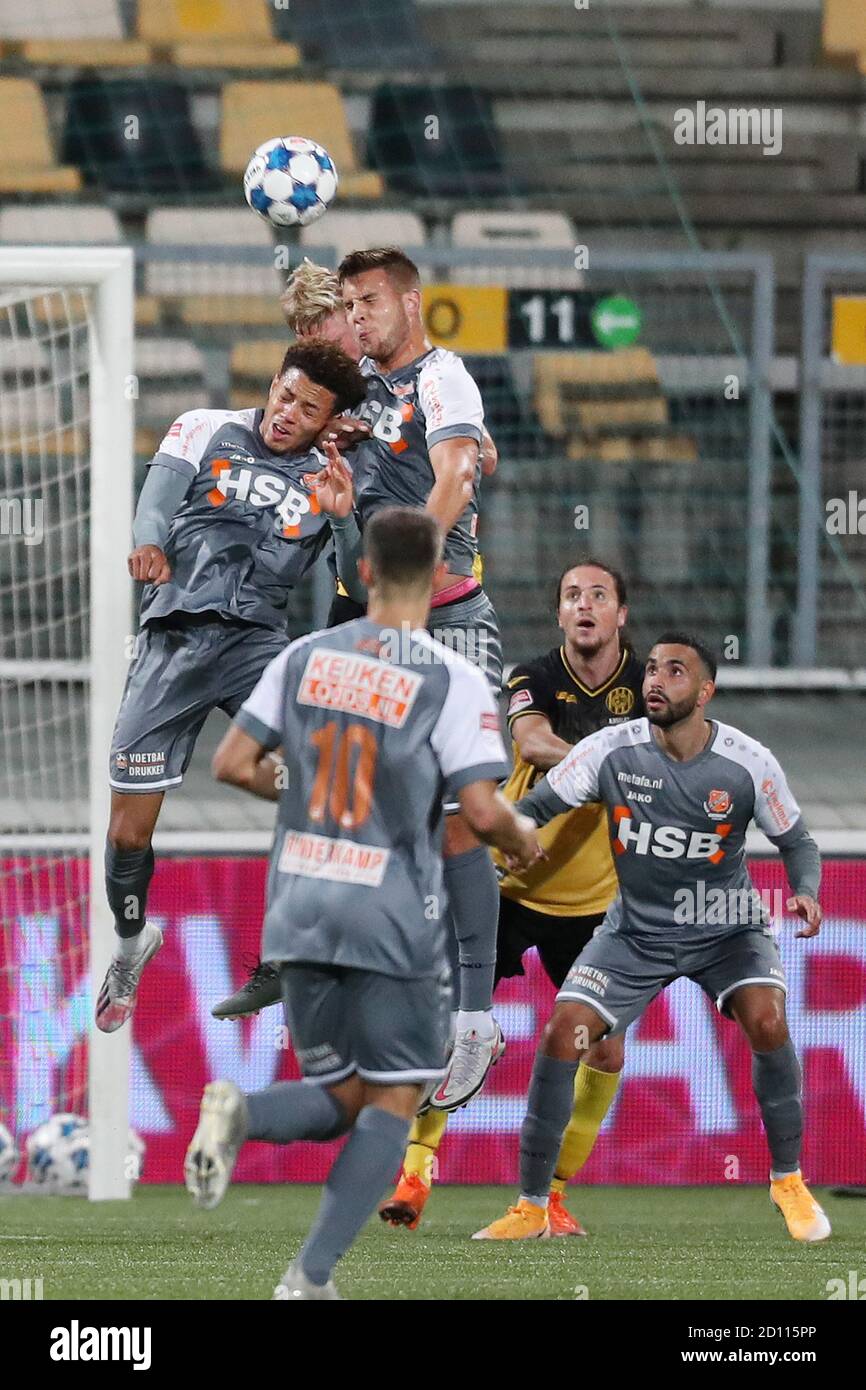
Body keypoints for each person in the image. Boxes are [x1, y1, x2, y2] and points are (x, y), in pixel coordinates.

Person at [184, 507, 541, 1299]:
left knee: (343, 1095)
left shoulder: (304, 656)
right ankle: (309, 1276)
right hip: (389, 912)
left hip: (301, 906)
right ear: (441, 571)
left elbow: (234, 762)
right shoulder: (449, 680)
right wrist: (523, 837)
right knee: (395, 1093)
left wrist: (299, 787)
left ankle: (242, 1113)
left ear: (365, 573)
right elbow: (480, 815)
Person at [475, 634, 829, 1245]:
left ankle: (788, 1181)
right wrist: (510, 833)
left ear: (707, 691)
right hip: (636, 930)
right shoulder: (610, 749)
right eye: (653, 670)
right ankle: (533, 1206)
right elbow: (540, 801)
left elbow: (796, 841)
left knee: (768, 1020)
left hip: (726, 925)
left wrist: (805, 889)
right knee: (565, 1033)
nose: (656, 681)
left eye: (676, 671)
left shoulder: (748, 762)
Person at [95, 341, 367, 1033]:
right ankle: (132, 945)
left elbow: (360, 586)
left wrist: (342, 516)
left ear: (327, 421)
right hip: (174, 639)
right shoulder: (202, 425)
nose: (288, 414)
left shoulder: (328, 475)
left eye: (308, 409)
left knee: (321, 778)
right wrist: (150, 542)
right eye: (285, 395)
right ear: (273, 384)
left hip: (256, 646)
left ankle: (293, 949)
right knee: (129, 833)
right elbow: (155, 503)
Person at [381, 560, 644, 1234]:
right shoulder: (534, 675)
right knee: (449, 1025)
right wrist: (613, 765)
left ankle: (549, 1194)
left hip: (592, 905)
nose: (583, 605)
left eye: (598, 596)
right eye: (571, 595)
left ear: (620, 616)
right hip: (506, 881)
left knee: (604, 1050)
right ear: (560, 615)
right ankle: (415, 1173)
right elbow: (529, 739)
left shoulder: (651, 685)